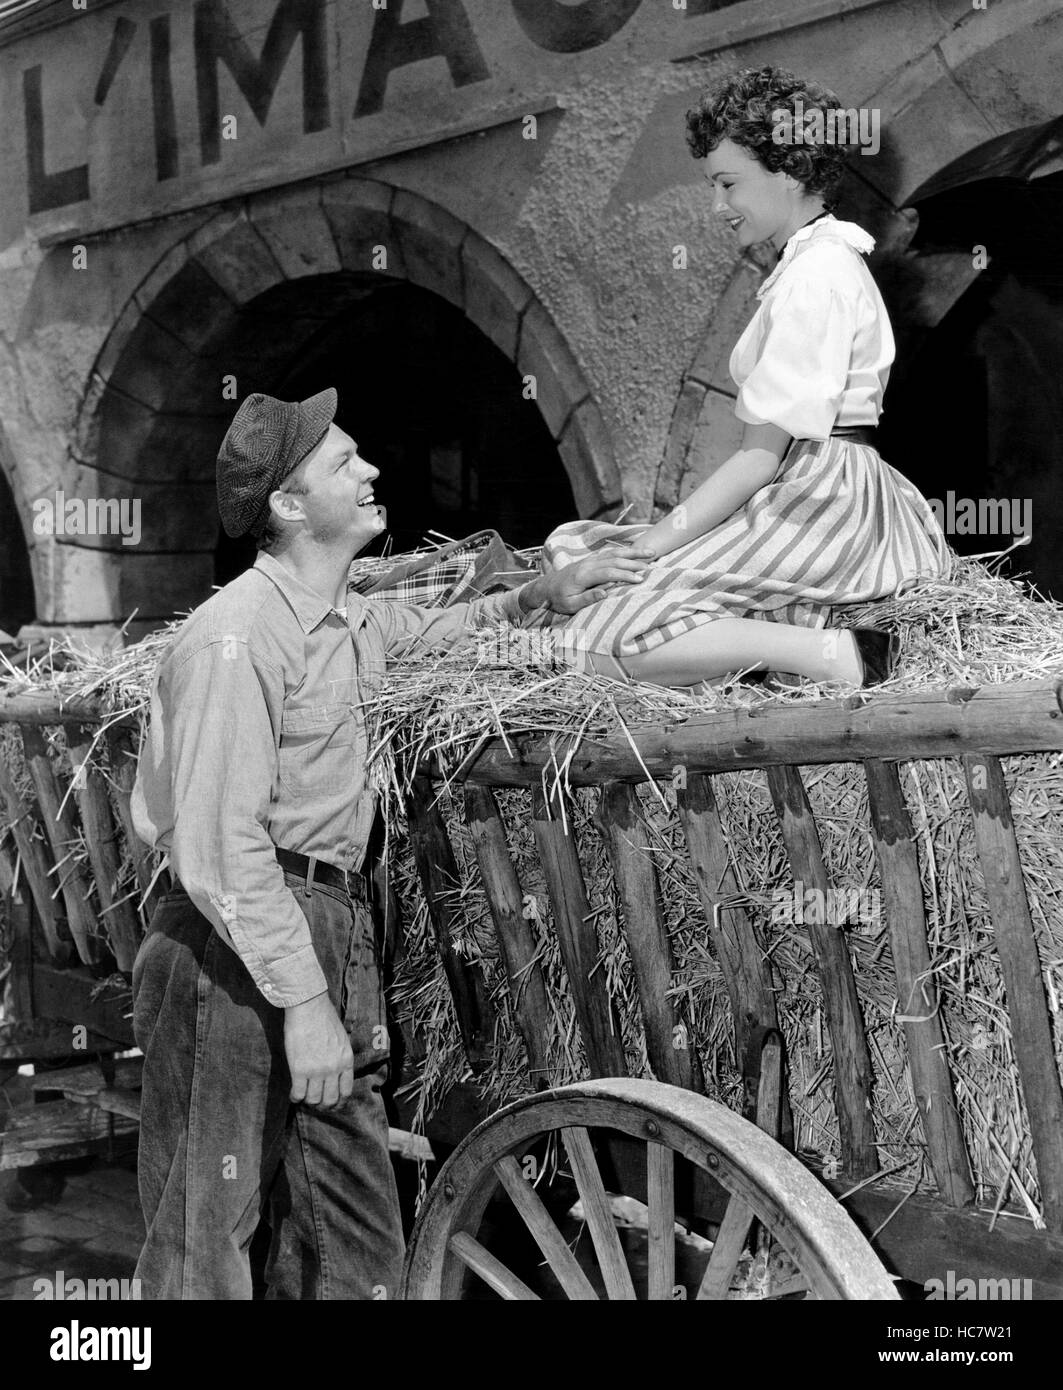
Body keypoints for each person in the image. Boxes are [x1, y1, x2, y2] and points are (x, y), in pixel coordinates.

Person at [128, 388, 651, 1300]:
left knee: (354, 1229)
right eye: (342, 462)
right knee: (204, 1239)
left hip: (331, 921)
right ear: (289, 507)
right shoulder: (237, 637)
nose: (370, 471)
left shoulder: (352, 622)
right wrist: (303, 1004)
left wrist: (540, 595)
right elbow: (217, 844)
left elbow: (441, 634)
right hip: (233, 947)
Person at [540, 66, 950, 689]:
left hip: (819, 498)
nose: (717, 206)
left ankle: (834, 655)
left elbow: (759, 459)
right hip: (813, 484)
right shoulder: (812, 265)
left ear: (788, 171)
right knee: (576, 554)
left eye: (728, 184)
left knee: (589, 637)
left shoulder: (817, 277)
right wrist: (656, 540)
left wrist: (656, 544)